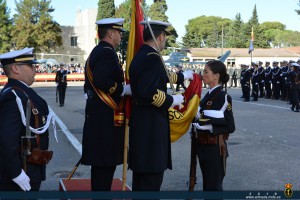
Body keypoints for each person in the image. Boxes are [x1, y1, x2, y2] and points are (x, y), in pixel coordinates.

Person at [128, 20, 194, 191]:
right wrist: (172, 101)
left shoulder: (143, 55)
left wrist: (181, 77)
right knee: (150, 180)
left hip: (143, 124)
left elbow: (160, 77)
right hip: (150, 126)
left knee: (142, 179)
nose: (165, 41)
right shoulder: (152, 58)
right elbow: (148, 92)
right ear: (160, 37)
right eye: (165, 37)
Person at [81, 18, 131, 191]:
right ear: (111, 33)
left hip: (99, 117)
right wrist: (122, 90)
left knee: (102, 168)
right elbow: (102, 80)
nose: (121, 37)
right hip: (104, 121)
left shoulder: (98, 50)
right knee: (104, 168)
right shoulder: (106, 52)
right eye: (119, 33)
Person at [0, 48, 54, 191]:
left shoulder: (20, 91)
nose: (35, 69)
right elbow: (6, 139)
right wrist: (16, 173)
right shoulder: (13, 96)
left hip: (30, 167)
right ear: (15, 68)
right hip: (21, 172)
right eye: (30, 66)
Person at [193, 60, 235, 191]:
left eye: (206, 72)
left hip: (214, 148)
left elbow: (230, 126)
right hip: (203, 146)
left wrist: (210, 127)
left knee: (213, 187)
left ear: (216, 76)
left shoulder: (222, 96)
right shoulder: (208, 95)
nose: (203, 74)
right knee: (207, 185)